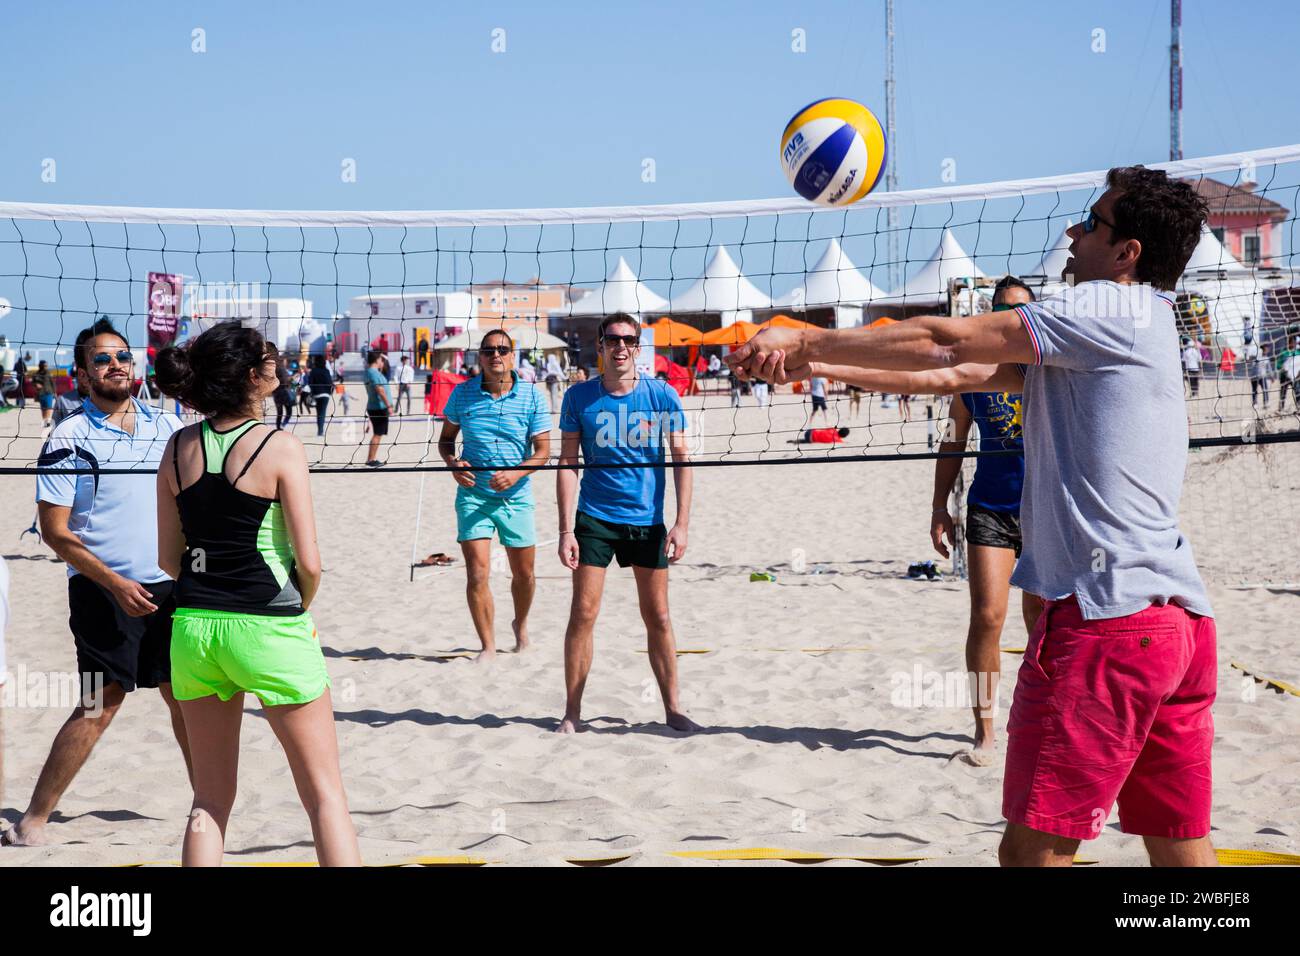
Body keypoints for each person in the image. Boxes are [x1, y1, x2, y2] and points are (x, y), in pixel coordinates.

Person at [730, 166, 1218, 867]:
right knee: (1180, 852)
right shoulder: (1143, 323)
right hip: (1176, 625)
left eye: (1093, 222)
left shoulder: (1107, 309)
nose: (1074, 233)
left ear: (1126, 253)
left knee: (1032, 856)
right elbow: (953, 376)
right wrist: (822, 370)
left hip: (1109, 627)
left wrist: (807, 339)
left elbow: (946, 340)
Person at [152, 321, 358, 867]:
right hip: (268, 626)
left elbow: (167, 560)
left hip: (194, 631)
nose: (279, 366)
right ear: (252, 376)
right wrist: (299, 608)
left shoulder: (176, 448)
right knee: (325, 798)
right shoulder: (280, 446)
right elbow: (310, 564)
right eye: (270, 358)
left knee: (209, 802)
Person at [5, 319, 189, 847]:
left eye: (122, 357)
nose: (115, 366)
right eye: (102, 360)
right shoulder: (69, 436)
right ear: (82, 375)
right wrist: (113, 583)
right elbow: (55, 532)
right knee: (98, 705)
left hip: (168, 587)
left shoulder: (165, 426)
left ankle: (209, 808)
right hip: (102, 591)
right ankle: (34, 820)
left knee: (186, 698)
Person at [556, 313, 699, 734]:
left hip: (646, 521)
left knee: (657, 616)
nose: (621, 347)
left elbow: (682, 460)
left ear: (638, 347)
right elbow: (567, 464)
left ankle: (672, 709)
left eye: (629, 340)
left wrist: (682, 523)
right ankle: (572, 712)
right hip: (595, 518)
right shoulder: (579, 398)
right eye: (613, 340)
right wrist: (566, 529)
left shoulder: (662, 396)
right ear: (599, 346)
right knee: (583, 613)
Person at [437, 330, 552, 661]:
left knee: (525, 575)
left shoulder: (532, 397)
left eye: (502, 350)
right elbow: (446, 442)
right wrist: (453, 464)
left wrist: (516, 472)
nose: (496, 355)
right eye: (488, 350)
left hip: (516, 495)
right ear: (480, 357)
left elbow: (543, 451)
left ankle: (521, 623)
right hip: (474, 494)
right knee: (477, 573)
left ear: (513, 356)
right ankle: (487, 646)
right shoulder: (462, 395)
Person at [363, 349, 391, 467]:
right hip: (379, 407)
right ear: (376, 360)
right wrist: (389, 406)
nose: (381, 361)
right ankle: (371, 460)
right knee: (377, 434)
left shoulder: (371, 372)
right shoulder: (373, 373)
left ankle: (372, 459)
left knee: (378, 433)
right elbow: (380, 390)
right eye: (380, 359)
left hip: (375, 406)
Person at [307, 355, 334, 437]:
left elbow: (310, 383)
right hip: (325, 394)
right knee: (322, 413)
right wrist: (330, 392)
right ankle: (321, 431)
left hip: (317, 394)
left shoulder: (313, 371)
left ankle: (320, 431)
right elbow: (330, 383)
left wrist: (312, 392)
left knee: (319, 413)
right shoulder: (326, 371)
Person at [1276, 336, 1300, 413]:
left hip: (1295, 377)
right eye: (1291, 342)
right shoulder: (1284, 353)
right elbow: (1278, 365)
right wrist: (1282, 367)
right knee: (1283, 392)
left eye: (1294, 342)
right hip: (1284, 376)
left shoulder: (1297, 353)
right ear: (1288, 343)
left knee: (1297, 391)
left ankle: (1298, 406)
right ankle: (1281, 407)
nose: (1293, 344)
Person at [272, 355, 294, 430]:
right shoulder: (282, 369)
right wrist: (292, 379)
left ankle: (279, 427)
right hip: (284, 393)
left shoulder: (274, 370)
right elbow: (286, 381)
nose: (286, 362)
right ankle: (283, 425)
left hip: (276, 393)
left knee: (279, 413)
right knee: (289, 411)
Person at [33, 359, 56, 429]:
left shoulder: (48, 373)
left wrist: (55, 392)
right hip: (41, 393)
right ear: (41, 366)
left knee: (48, 407)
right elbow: (33, 382)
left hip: (49, 392)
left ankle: (47, 421)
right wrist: (36, 384)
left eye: (46, 365)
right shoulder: (36, 374)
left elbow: (53, 383)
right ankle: (45, 420)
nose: (46, 367)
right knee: (43, 409)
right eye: (44, 365)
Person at [1251, 343, 1272, 410]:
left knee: (1265, 390)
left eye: (1267, 348)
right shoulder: (1257, 357)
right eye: (1266, 348)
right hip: (1255, 377)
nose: (1267, 350)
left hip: (1263, 377)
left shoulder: (1267, 358)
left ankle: (1266, 403)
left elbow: (1269, 368)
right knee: (1254, 391)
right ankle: (1255, 403)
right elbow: (1253, 365)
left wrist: (1272, 376)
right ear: (1263, 349)